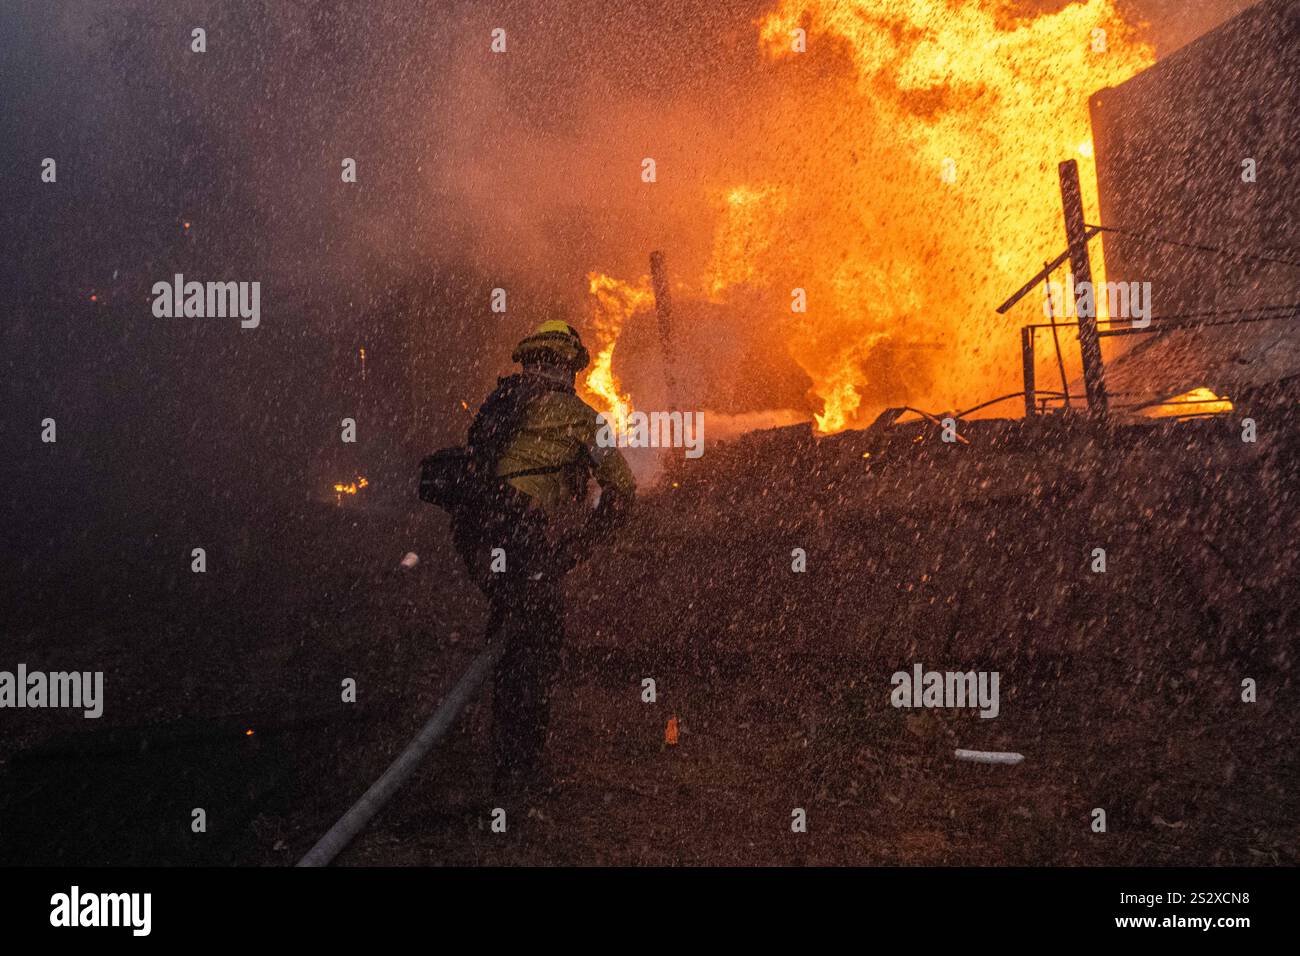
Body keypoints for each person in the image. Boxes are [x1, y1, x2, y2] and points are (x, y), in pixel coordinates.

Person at [453, 319, 636, 795]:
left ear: (531, 360)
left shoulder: (502, 404)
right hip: (524, 537)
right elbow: (623, 488)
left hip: (486, 534)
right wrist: (577, 549)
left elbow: (477, 475)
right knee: (536, 648)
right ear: (567, 368)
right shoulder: (582, 418)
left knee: (511, 641)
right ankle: (520, 773)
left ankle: (506, 761)